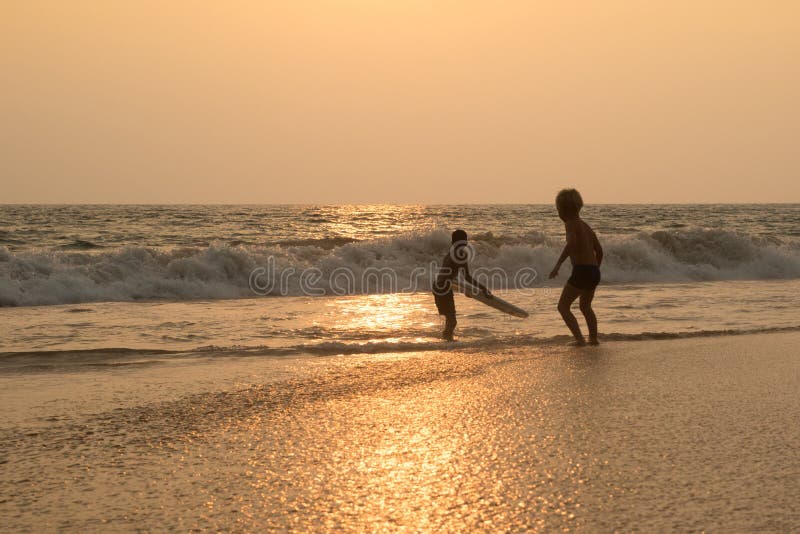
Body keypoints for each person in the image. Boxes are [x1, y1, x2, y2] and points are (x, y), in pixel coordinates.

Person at [548, 189, 603, 346]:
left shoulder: (570, 223)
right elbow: (599, 250)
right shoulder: (586, 226)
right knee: (585, 306)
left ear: (563, 210)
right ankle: (593, 338)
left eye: (558, 209)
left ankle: (579, 339)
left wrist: (558, 265)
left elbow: (571, 244)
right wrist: (595, 268)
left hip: (582, 271)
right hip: (593, 271)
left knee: (563, 307)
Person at [433, 229, 491, 341]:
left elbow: (450, 276)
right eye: (465, 240)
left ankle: (446, 340)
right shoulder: (461, 254)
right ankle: (447, 341)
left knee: (449, 320)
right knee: (452, 321)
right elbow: (467, 277)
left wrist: (468, 291)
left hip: (438, 286)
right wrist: (483, 289)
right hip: (443, 288)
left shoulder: (451, 252)